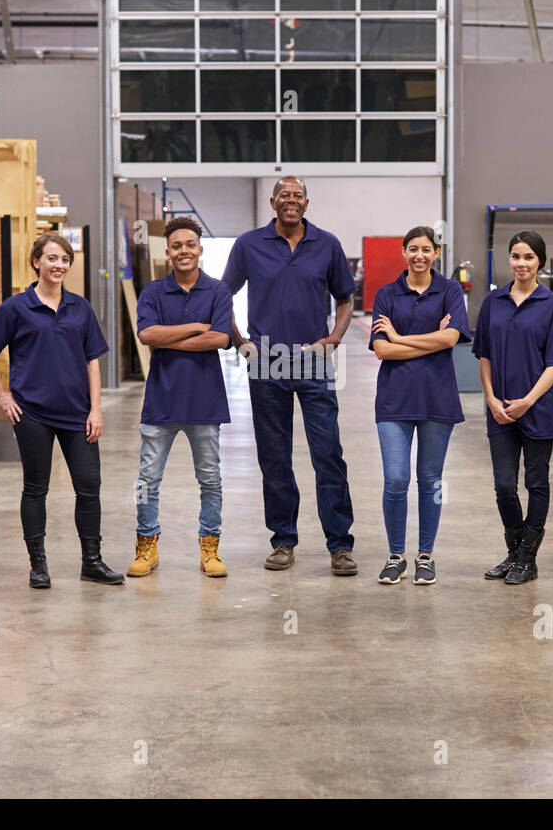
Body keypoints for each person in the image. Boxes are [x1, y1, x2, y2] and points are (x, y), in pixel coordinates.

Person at [222, 176, 358, 576]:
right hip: (266, 363)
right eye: (284, 195)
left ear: (306, 202)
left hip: (313, 361)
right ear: (273, 201)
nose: (291, 201)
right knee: (275, 456)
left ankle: (340, 546)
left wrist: (333, 339)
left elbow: (346, 297)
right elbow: (222, 294)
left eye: (297, 195)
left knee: (328, 454)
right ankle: (283, 540)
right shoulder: (249, 244)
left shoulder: (327, 244)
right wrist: (240, 342)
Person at [0, 234, 123, 588]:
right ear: (36, 262)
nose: (59, 265)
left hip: (77, 414)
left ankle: (92, 561)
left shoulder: (80, 308)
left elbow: (92, 362)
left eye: (65, 260)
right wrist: (2, 394)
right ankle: (38, 565)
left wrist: (97, 410)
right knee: (35, 488)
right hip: (33, 414)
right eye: (52, 258)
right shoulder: (16, 307)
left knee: (89, 486)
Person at [129, 216, 234, 579]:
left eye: (190, 245)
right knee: (146, 481)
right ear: (168, 251)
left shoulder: (218, 291)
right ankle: (146, 545)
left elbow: (220, 338)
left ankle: (210, 547)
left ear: (200, 250)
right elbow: (147, 335)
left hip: (205, 403)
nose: (184, 251)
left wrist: (170, 338)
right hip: (160, 402)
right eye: (177, 246)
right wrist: (194, 327)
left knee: (211, 481)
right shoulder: (153, 292)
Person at [473, 231, 553, 585]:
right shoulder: (493, 301)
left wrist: (528, 401)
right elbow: (484, 354)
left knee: (536, 483)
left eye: (529, 257)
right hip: (499, 409)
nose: (521, 263)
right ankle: (515, 551)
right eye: (516, 256)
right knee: (504, 484)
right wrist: (490, 399)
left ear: (540, 262)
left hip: (538, 408)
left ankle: (527, 558)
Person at [369, 226, 470, 585]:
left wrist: (400, 337)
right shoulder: (386, 294)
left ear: (436, 253)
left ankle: (425, 555)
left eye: (426, 249)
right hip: (395, 399)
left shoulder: (450, 290)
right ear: (403, 252)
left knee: (431, 479)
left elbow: (452, 338)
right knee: (396, 479)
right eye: (413, 249)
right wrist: (430, 341)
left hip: (436, 398)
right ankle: (396, 555)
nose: (419, 256)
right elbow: (382, 350)